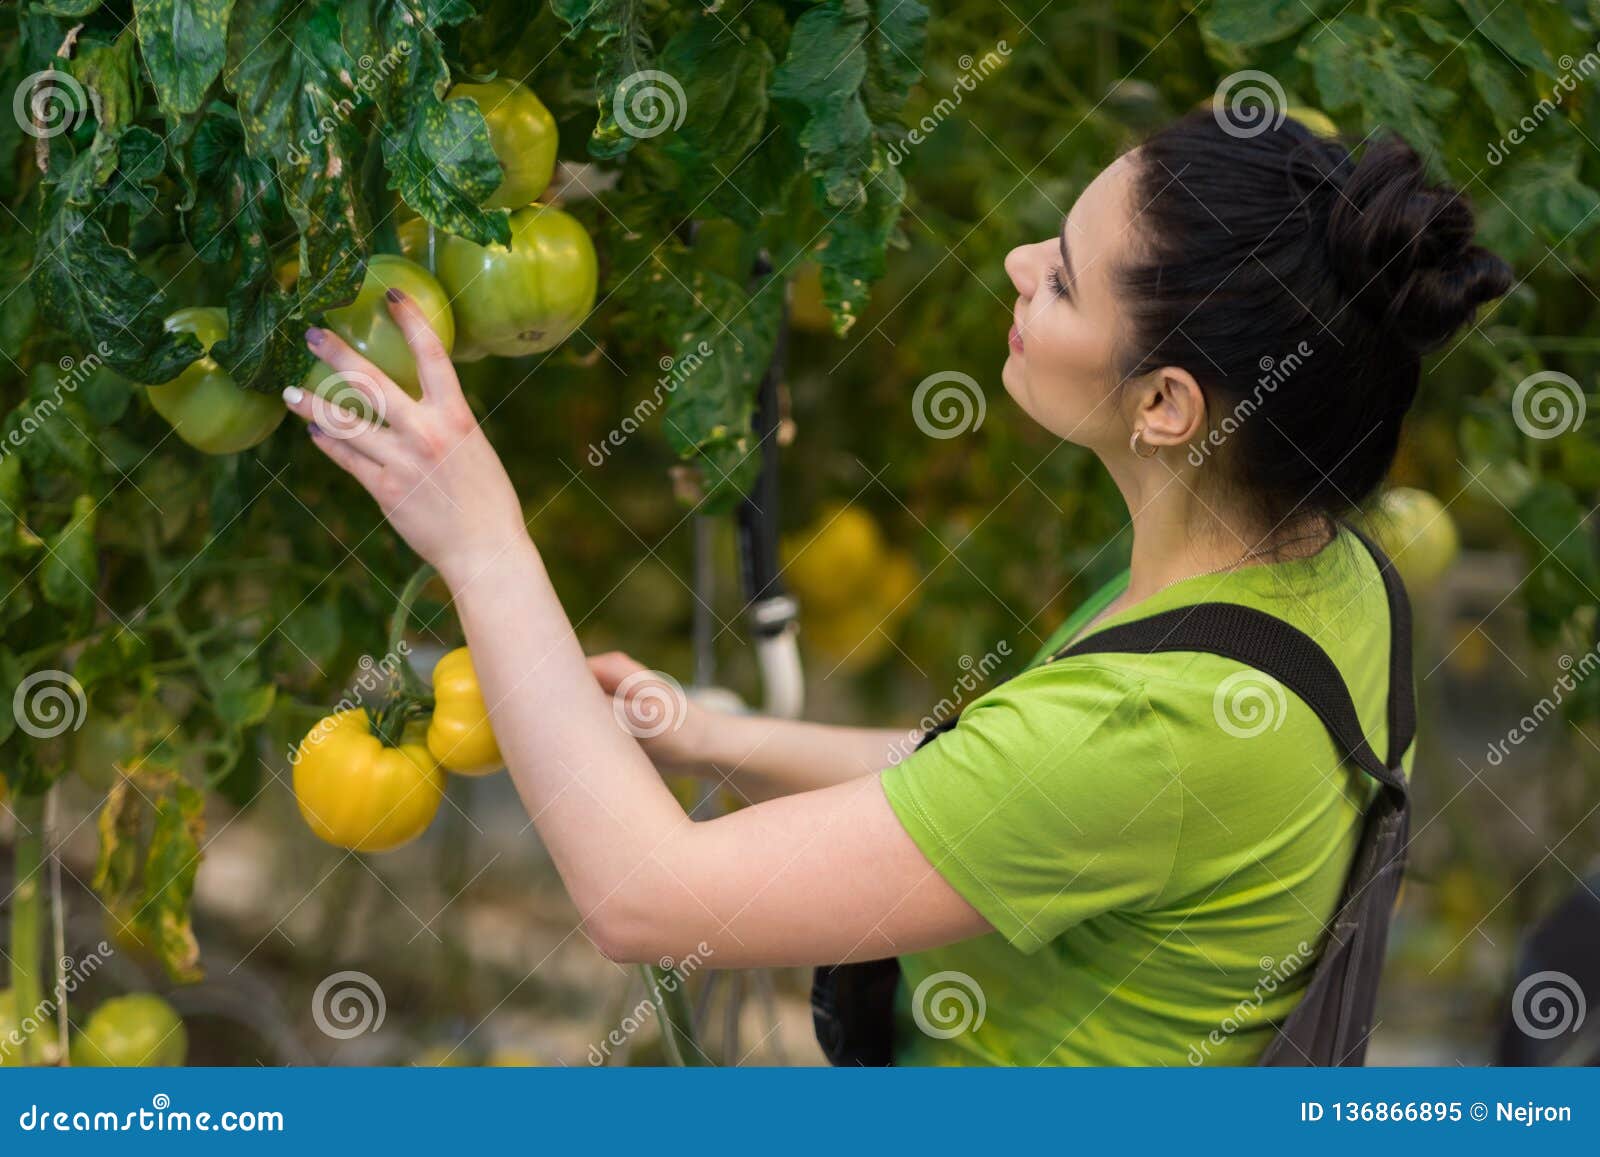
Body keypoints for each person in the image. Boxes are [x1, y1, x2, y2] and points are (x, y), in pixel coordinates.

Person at [279, 109, 1511, 1065]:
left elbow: (649, 901)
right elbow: (989, 784)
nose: (1023, 263)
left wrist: (481, 536)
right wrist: (706, 731)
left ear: (1166, 404)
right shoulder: (1316, 581)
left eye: (1066, 278)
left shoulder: (1159, 726)